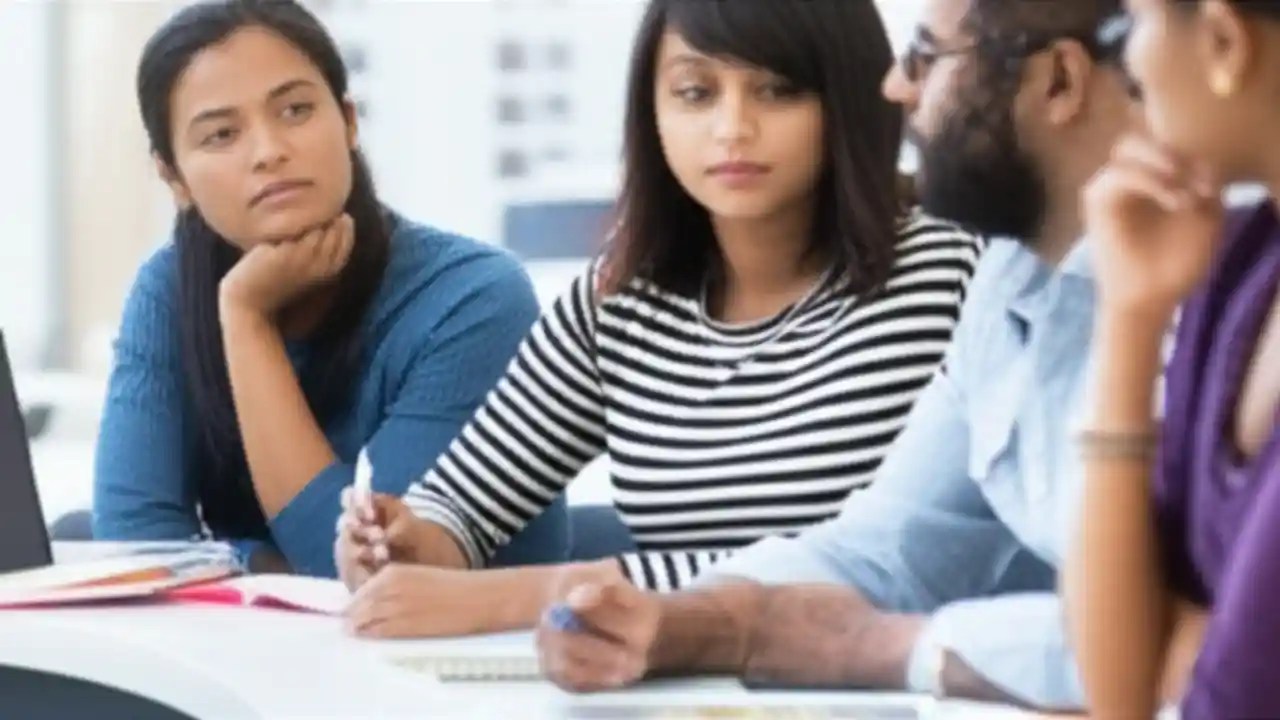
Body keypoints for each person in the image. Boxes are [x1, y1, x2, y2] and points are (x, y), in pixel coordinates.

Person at [531, 0, 1167, 710]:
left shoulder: (1191, 293)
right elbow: (890, 543)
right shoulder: (1011, 280)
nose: (896, 87)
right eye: (695, 92)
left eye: (927, 58)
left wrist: (883, 646)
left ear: (1060, 81)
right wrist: (686, 624)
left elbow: (1204, 641)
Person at [334, 0, 982, 639]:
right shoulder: (619, 302)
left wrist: (537, 594)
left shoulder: (949, 271)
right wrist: (401, 543)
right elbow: (462, 504)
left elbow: (876, 565)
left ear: (848, 97)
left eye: (778, 90)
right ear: (653, 113)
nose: (732, 127)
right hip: (677, 684)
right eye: (696, 93)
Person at [92, 0, 568, 577]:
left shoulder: (475, 298)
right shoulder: (168, 290)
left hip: (465, 635)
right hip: (249, 634)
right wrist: (254, 561)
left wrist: (247, 319)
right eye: (221, 134)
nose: (269, 151)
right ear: (174, 177)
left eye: (295, 110)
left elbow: (371, 573)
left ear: (348, 121)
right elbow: (135, 547)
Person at [1065, 0, 1280, 717]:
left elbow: (1227, 699)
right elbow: (1122, 687)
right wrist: (1130, 317)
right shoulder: (1243, 261)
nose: (1126, 60)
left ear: (1223, 40)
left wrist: (1193, 646)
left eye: (1136, 21)